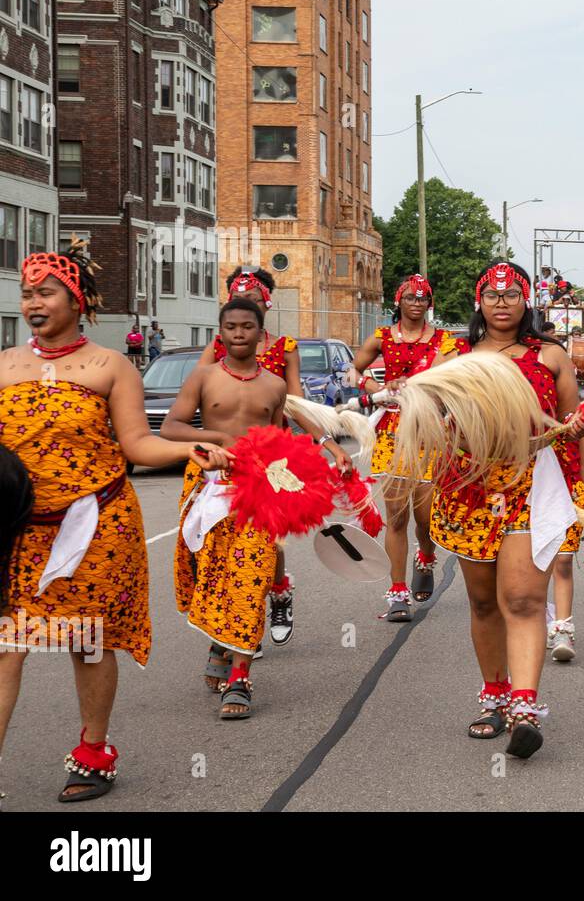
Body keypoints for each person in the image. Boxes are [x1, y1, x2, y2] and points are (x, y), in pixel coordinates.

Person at [0, 242, 227, 802]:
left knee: (86, 642)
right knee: (8, 644)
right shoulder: (4, 365)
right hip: (20, 531)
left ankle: (93, 752)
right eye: (27, 293)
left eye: (46, 292)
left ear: (77, 301)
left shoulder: (109, 366)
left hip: (95, 526)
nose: (34, 302)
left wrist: (190, 448)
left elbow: (138, 444)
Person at [425, 261, 584, 758]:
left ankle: (524, 706)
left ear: (526, 301)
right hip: (468, 488)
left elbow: (569, 426)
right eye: (492, 294)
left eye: (512, 294)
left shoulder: (553, 356)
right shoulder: (453, 355)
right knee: (481, 602)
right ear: (480, 301)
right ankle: (492, 693)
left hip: (530, 486)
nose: (501, 302)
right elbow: (429, 415)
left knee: (521, 599)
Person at [193, 268, 352, 646]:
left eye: (252, 300)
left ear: (265, 306)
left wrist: (329, 445)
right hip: (223, 462)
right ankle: (231, 629)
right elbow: (194, 393)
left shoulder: (285, 348)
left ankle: (278, 592)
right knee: (218, 544)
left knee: (267, 543)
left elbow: (297, 405)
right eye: (237, 299)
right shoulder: (217, 348)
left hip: (271, 462)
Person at [163, 299, 288, 719]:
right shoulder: (202, 377)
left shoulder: (274, 385)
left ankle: (239, 678)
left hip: (257, 491)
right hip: (208, 488)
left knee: (250, 579)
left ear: (260, 334)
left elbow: (281, 440)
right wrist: (216, 438)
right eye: (231, 326)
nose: (238, 333)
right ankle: (219, 641)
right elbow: (172, 426)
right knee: (213, 576)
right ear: (221, 332)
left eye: (247, 326)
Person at [351, 274, 469, 620]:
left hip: (431, 431)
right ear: (398, 302)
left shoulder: (446, 341)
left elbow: (457, 382)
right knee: (397, 516)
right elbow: (353, 370)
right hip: (392, 431)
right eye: (410, 297)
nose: (416, 303)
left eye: (422, 298)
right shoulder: (383, 336)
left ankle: (427, 556)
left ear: (429, 304)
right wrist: (379, 388)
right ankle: (397, 592)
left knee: (426, 517)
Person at [546, 436, 584, 662]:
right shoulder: (525, 408)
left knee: (563, 562)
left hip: (570, 495)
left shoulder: (577, 420)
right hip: (529, 497)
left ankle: (563, 630)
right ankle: (539, 617)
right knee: (534, 568)